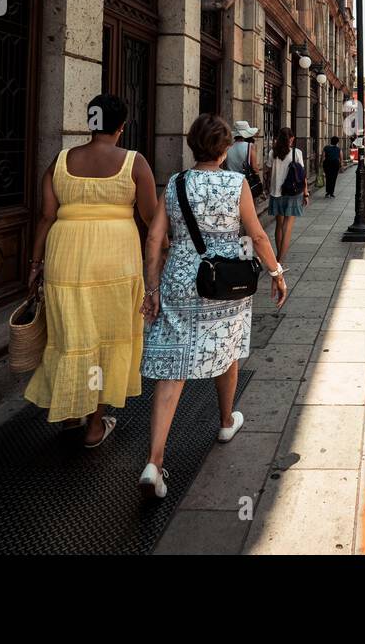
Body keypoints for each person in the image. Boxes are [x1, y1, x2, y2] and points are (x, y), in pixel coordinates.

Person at [138, 114, 287, 499]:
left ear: (192, 146)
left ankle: (155, 461)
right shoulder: (236, 183)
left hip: (180, 278)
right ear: (224, 149)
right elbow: (256, 234)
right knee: (228, 349)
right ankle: (224, 420)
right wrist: (276, 272)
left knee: (173, 367)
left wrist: (151, 287)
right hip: (224, 281)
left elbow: (155, 239)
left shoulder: (175, 183)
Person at [24, 94, 158, 448]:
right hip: (115, 259)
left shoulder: (61, 161)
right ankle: (96, 424)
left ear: (90, 122)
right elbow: (150, 217)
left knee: (71, 335)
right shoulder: (134, 162)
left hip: (66, 256)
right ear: (121, 126)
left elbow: (46, 216)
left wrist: (35, 264)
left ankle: (70, 415)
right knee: (108, 338)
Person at [268, 126, 309, 263]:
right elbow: (302, 175)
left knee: (279, 224)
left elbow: (268, 172)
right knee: (288, 226)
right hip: (292, 193)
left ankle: (278, 258)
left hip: (276, 192)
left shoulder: (272, 153)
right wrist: (305, 192)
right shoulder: (296, 153)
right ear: (291, 139)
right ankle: (280, 261)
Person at [225, 120, 259, 185]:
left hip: (230, 182)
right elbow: (255, 168)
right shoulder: (250, 146)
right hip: (244, 182)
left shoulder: (228, 147)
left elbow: (224, 166)